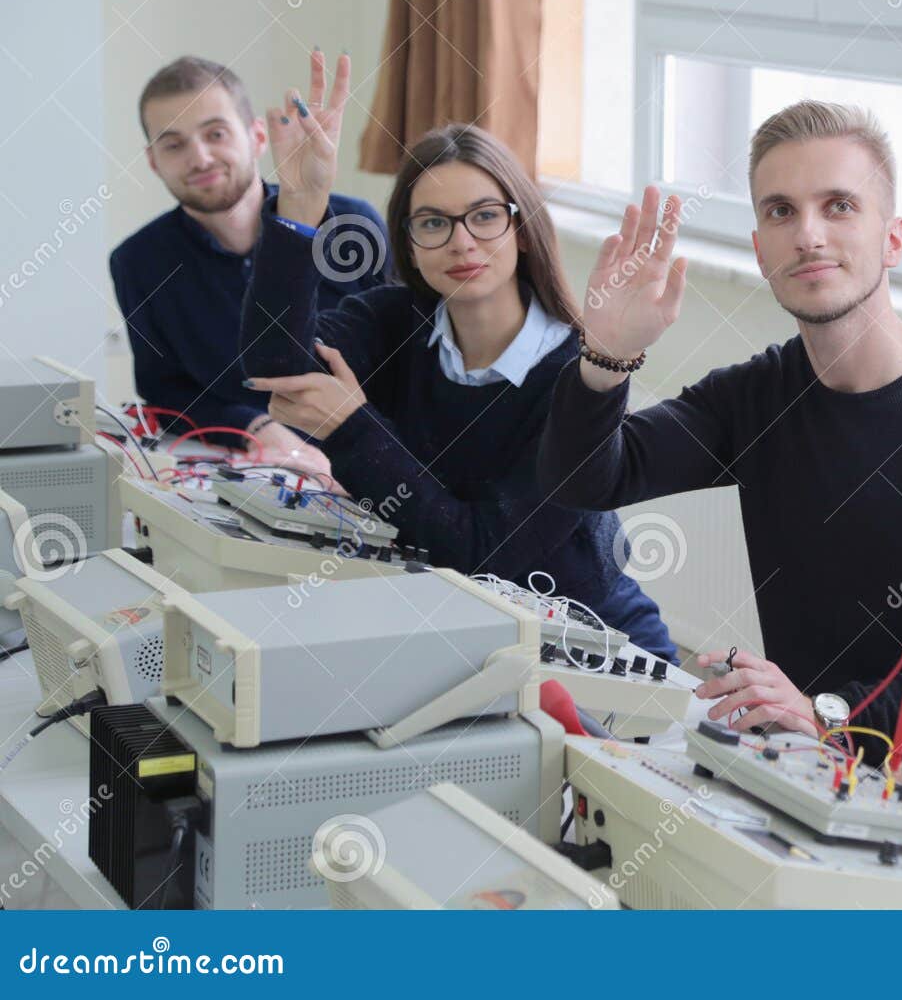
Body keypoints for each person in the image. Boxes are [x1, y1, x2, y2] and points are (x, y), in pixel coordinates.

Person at [536, 101, 902, 778]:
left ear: (893, 239)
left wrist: (830, 712)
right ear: (759, 249)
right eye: (781, 211)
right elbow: (589, 479)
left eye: (838, 206)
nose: (808, 235)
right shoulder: (758, 395)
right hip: (801, 761)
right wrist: (606, 359)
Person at [236, 51, 675, 660]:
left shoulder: (580, 382)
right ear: (410, 247)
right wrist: (302, 207)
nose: (462, 241)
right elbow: (274, 366)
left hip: (586, 650)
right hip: (448, 632)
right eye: (433, 223)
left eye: (485, 217)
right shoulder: (395, 321)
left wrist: (351, 428)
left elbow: (482, 551)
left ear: (521, 230)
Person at [110, 55, 385, 479]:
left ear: (257, 136)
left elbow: (411, 357)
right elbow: (164, 389)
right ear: (152, 161)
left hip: (374, 459)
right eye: (174, 144)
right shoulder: (137, 261)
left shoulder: (353, 227)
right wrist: (254, 427)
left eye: (215, 134)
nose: (199, 158)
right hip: (238, 466)